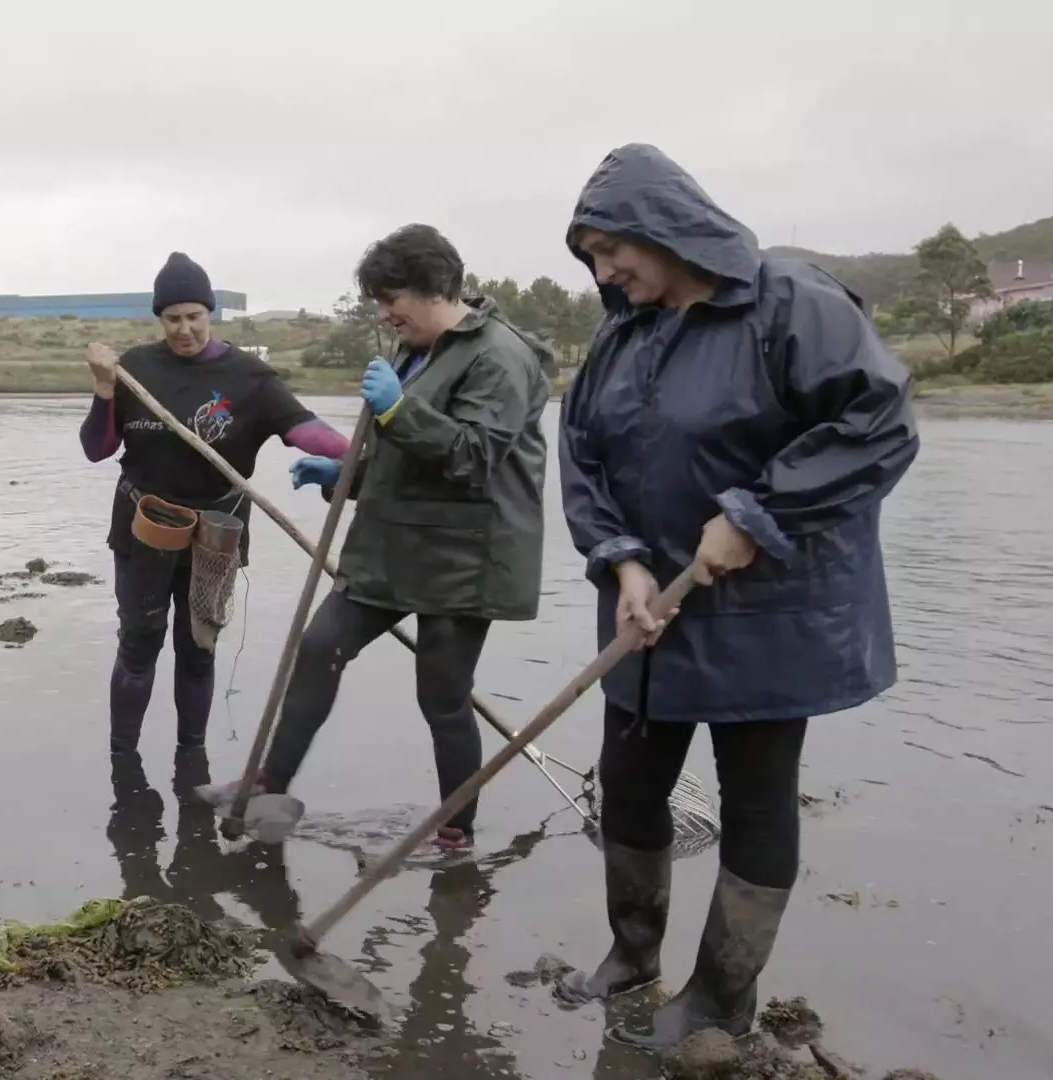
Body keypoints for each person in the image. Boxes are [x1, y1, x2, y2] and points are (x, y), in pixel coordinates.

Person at [548, 143, 919, 1051]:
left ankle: (719, 1003)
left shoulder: (789, 303)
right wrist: (624, 561)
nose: (603, 272)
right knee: (631, 785)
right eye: (590, 258)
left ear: (661, 228)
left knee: (756, 799)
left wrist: (755, 513)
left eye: (610, 250)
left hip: (767, 615)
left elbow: (878, 423)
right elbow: (583, 457)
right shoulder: (619, 336)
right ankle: (633, 954)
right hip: (650, 608)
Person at [255, 224, 554, 853]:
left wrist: (396, 410)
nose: (386, 313)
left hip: (466, 555)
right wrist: (349, 474)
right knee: (320, 647)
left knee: (441, 695)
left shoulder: (498, 356)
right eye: (380, 301)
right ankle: (268, 790)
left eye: (393, 299)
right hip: (394, 545)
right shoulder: (415, 351)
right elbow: (410, 458)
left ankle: (455, 830)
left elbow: (474, 456)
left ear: (436, 287)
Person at [81, 252, 350, 754]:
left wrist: (358, 454)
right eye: (173, 318)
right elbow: (96, 449)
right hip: (144, 528)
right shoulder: (135, 368)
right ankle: (122, 757)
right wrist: (103, 391)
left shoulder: (250, 376)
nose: (184, 329)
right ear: (159, 318)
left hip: (217, 531)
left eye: (194, 316)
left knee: (198, 650)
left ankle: (191, 755)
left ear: (210, 313)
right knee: (138, 645)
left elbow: (305, 430)